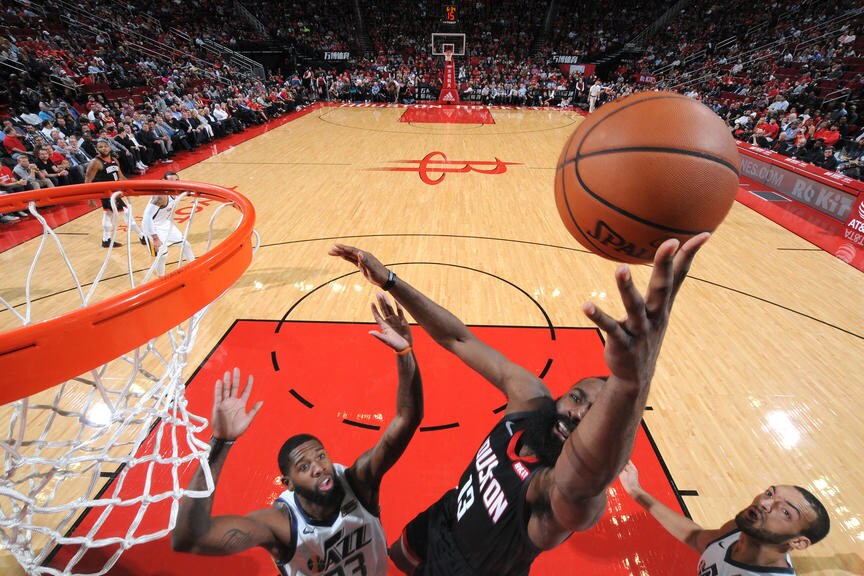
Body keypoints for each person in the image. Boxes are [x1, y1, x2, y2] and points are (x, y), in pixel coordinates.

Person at [329, 236, 707, 576]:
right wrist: (389, 281)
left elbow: (587, 475)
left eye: (592, 415)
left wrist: (630, 382)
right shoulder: (531, 400)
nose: (576, 414)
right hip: (445, 517)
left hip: (472, 571)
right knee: (396, 560)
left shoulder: (554, 495)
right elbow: (457, 338)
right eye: (577, 397)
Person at [172, 293, 424, 576]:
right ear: (287, 483)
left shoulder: (360, 483)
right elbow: (190, 538)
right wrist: (221, 442)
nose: (318, 467)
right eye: (304, 467)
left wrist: (405, 354)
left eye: (320, 456)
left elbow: (407, 419)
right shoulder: (281, 525)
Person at [618, 461, 830, 575]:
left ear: (799, 542)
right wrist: (636, 491)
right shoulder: (737, 532)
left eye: (785, 512)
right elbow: (695, 537)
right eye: (770, 493)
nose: (764, 503)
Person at [84, 138, 145, 248]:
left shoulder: (114, 160)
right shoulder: (95, 162)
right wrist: (90, 198)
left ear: (110, 147)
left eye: (105, 146)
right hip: (106, 193)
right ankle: (142, 236)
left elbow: (121, 177)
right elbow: (88, 181)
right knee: (126, 212)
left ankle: (106, 240)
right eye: (100, 147)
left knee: (108, 214)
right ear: (97, 149)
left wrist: (132, 188)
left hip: (114, 192)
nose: (104, 148)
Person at [141, 172, 196, 276]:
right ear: (164, 182)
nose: (174, 183)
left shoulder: (175, 190)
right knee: (163, 255)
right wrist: (155, 238)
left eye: (176, 181)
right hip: (153, 226)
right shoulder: (160, 197)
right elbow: (147, 218)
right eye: (171, 181)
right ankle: (161, 278)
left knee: (186, 245)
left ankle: (195, 267)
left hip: (165, 224)